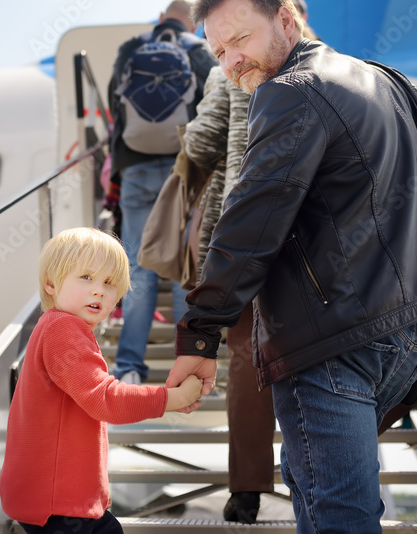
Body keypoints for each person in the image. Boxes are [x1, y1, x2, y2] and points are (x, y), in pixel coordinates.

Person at [166, 0, 417, 533]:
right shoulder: (381, 79)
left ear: (286, 21)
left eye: (240, 40)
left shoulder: (288, 92)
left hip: (329, 347)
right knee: (323, 494)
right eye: (220, 52)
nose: (231, 62)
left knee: (336, 514)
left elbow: (252, 221)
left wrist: (200, 331)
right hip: (407, 334)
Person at [0, 227, 203, 533]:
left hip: (58, 502)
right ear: (51, 284)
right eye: (86, 277)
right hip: (60, 506)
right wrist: (172, 399)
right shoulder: (63, 330)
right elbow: (106, 399)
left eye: (109, 283)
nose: (99, 290)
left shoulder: (57, 326)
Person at [108, 0, 217, 385]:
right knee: (181, 266)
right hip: (183, 168)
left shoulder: (132, 46)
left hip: (135, 167)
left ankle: (128, 368)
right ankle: (185, 362)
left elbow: (113, 103)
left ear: (159, 19)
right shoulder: (197, 48)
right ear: (194, 22)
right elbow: (215, 102)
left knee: (138, 265)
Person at [182, 65, 274, 522]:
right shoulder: (325, 68)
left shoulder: (231, 73)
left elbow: (201, 144)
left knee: (245, 359)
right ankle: (319, 471)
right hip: (312, 241)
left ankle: (248, 490)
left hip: (243, 234)